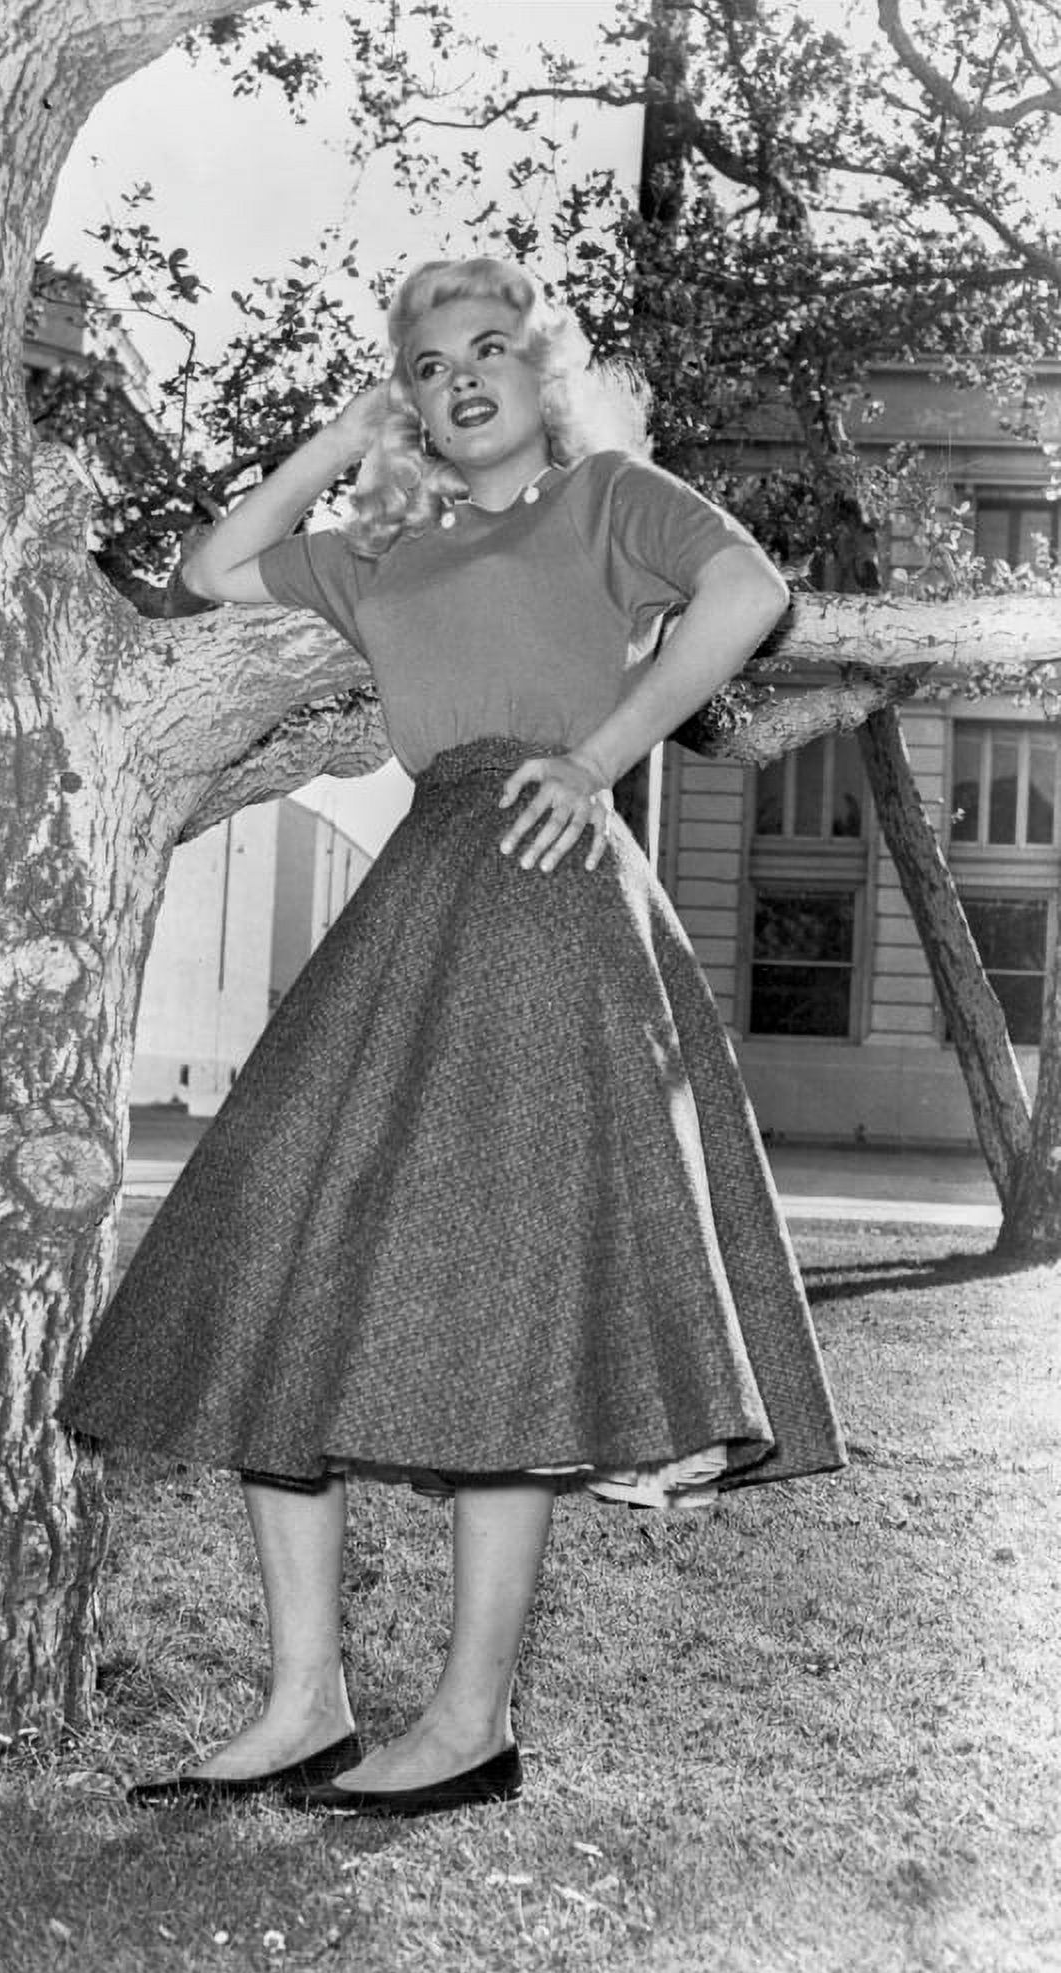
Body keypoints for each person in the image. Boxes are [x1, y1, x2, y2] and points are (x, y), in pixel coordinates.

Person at [60, 256, 846, 1820]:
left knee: (505, 1303)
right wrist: (343, 436)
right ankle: (303, 1705)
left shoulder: (608, 496)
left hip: (551, 899)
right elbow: (213, 572)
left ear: (544, 376)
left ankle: (470, 1721)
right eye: (427, 365)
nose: (460, 378)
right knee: (273, 1258)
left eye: (492, 350)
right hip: (419, 890)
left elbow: (747, 592)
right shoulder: (385, 546)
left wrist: (600, 752)